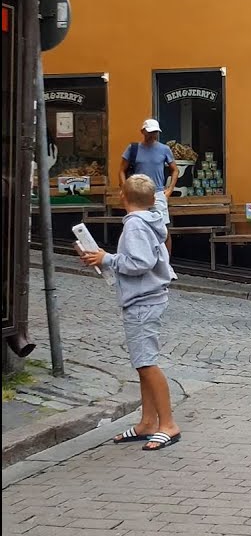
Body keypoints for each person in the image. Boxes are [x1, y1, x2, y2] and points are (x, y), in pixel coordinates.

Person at [79, 174, 181, 451]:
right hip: (150, 298)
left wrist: (107, 259)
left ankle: (168, 424)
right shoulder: (150, 220)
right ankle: (148, 421)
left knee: (147, 363)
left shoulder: (135, 225)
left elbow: (140, 262)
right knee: (142, 363)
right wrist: (105, 257)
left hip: (142, 300)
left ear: (123, 197)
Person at [120, 119, 178, 253]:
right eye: (150, 132)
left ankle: (166, 264)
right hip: (137, 193)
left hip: (157, 193)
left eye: (155, 132)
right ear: (143, 132)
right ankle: (142, 255)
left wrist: (169, 189)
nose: (152, 135)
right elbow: (122, 169)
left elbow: (174, 169)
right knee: (138, 225)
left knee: (163, 229)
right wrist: (126, 189)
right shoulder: (133, 149)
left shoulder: (164, 149)